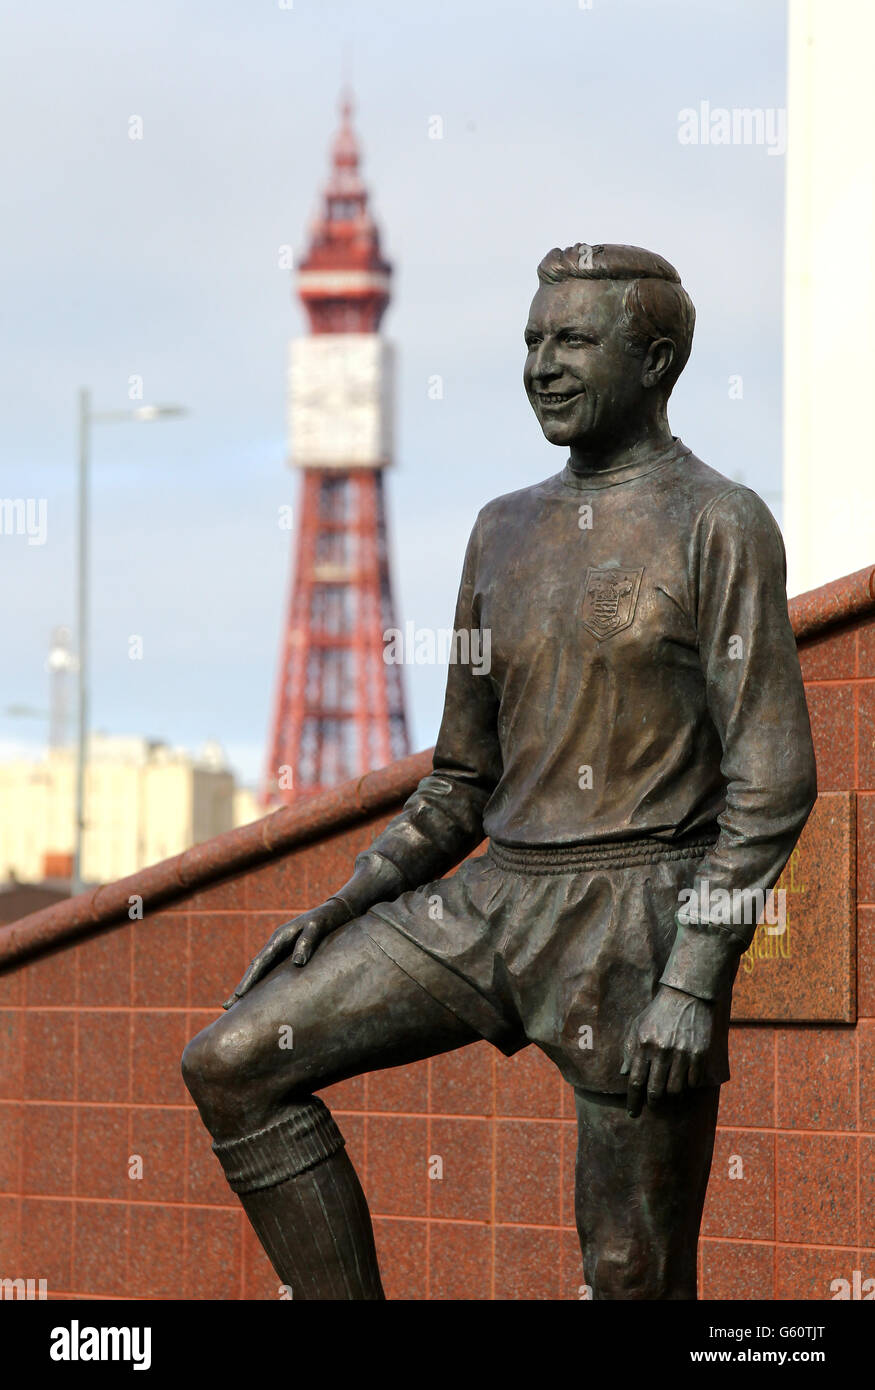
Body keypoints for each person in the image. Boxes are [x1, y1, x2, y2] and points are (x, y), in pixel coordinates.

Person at [182, 243, 817, 1300]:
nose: (541, 365)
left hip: (633, 914)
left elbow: (772, 782)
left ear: (654, 360)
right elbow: (458, 779)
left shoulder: (718, 522)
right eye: (531, 340)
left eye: (571, 340)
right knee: (234, 1062)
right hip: (491, 900)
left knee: (629, 1272)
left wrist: (694, 976)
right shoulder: (500, 529)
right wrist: (352, 898)